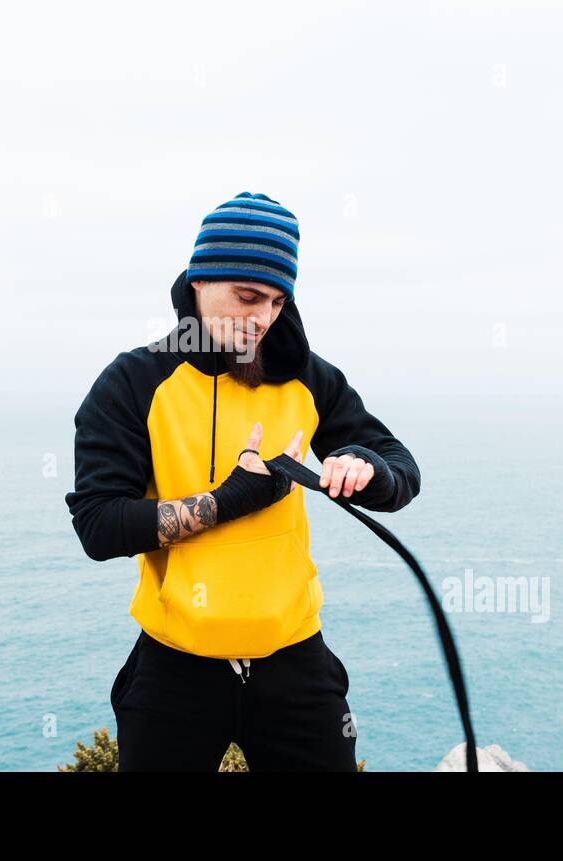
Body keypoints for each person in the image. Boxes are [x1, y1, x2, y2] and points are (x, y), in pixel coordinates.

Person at [64, 191, 421, 771]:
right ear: (199, 282)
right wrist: (229, 501)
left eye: (278, 301)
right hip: (174, 668)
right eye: (248, 297)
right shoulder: (133, 382)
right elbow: (99, 526)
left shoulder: (307, 377)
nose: (263, 318)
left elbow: (401, 469)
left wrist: (366, 469)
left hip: (295, 661)